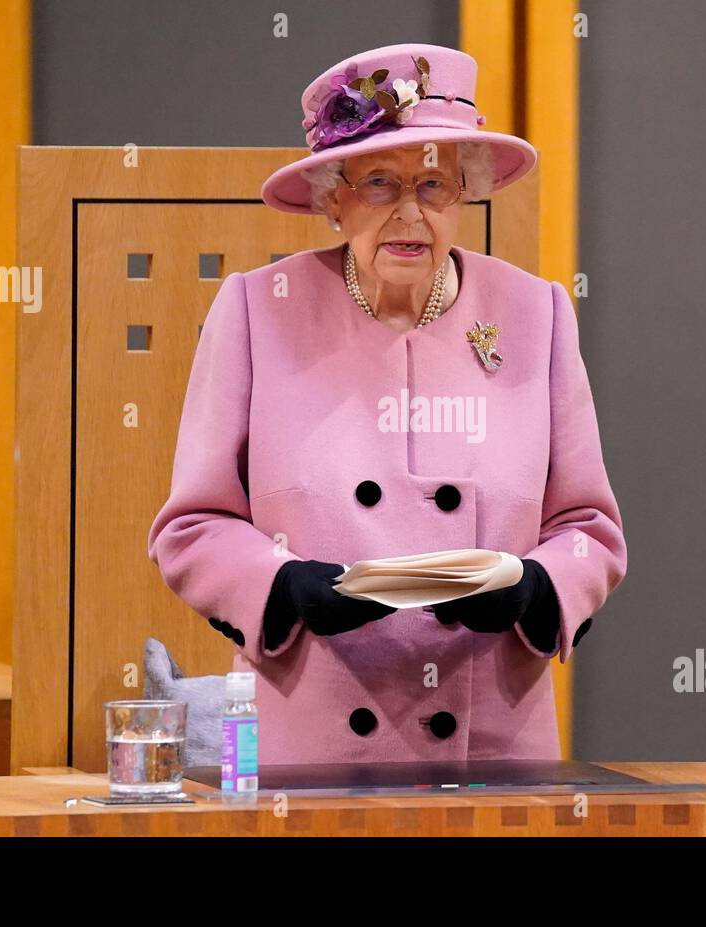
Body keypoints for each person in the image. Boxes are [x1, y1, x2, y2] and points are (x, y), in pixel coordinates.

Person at [147, 43, 627, 763]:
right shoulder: (258, 310)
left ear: (463, 195)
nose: (410, 212)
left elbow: (588, 528)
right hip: (311, 742)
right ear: (332, 197)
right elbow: (193, 524)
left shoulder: (538, 314)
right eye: (379, 182)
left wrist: (537, 587)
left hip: (490, 745)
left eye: (434, 184)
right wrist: (282, 585)